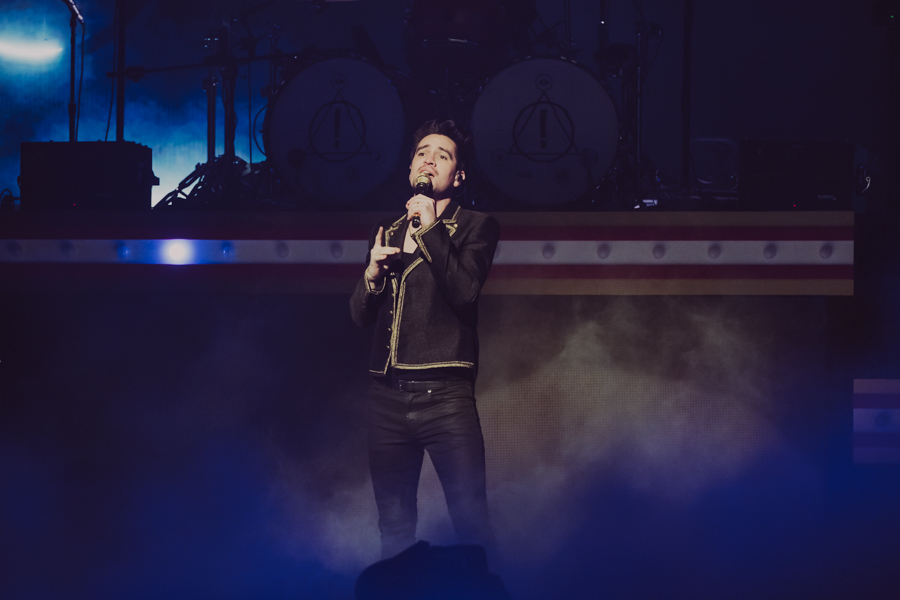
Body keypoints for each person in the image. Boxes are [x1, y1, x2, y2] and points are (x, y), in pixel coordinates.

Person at [350, 119, 500, 559]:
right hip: (387, 399)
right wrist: (372, 275)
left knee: (471, 523)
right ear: (410, 167)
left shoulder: (476, 226)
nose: (429, 160)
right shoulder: (388, 229)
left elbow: (464, 291)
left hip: (445, 399)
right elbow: (360, 316)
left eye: (442, 155)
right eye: (422, 153)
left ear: (459, 175)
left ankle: (484, 589)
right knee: (394, 527)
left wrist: (432, 229)